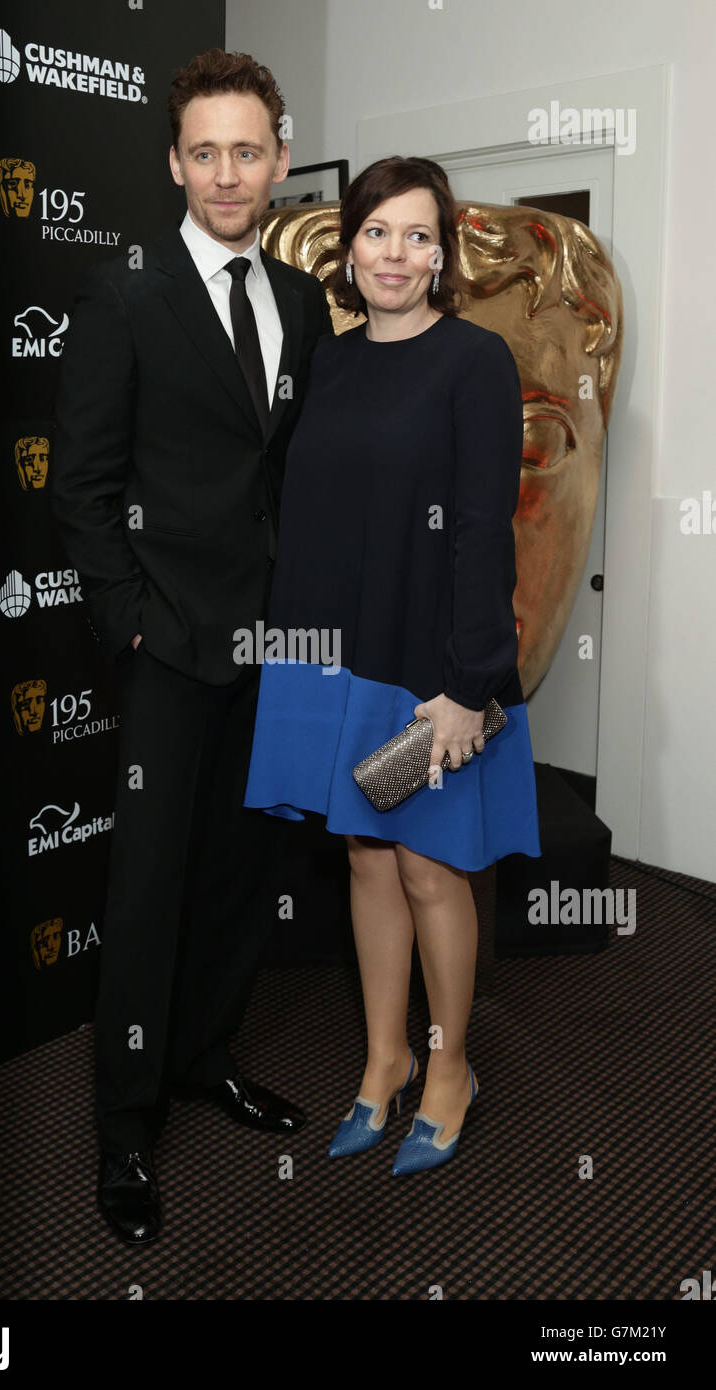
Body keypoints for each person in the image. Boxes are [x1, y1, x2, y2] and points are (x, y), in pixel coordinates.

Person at [50, 48, 334, 1244]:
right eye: (205, 152)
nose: (229, 172)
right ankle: (126, 1126)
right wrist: (131, 617)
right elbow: (81, 486)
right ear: (174, 162)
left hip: (273, 647)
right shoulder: (126, 298)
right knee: (149, 885)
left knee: (240, 878)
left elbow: (293, 471)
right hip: (169, 647)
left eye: (249, 149)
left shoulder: (303, 300)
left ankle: (205, 1055)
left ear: (278, 156)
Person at [243, 156, 542, 1175]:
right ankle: (381, 1062)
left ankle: (449, 1063)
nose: (397, 254)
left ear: (443, 253)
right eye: (379, 231)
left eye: (419, 235)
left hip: (429, 666)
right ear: (349, 243)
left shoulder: (475, 361)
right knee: (365, 855)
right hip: (332, 656)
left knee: (426, 864)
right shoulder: (324, 360)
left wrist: (470, 682)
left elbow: (483, 530)